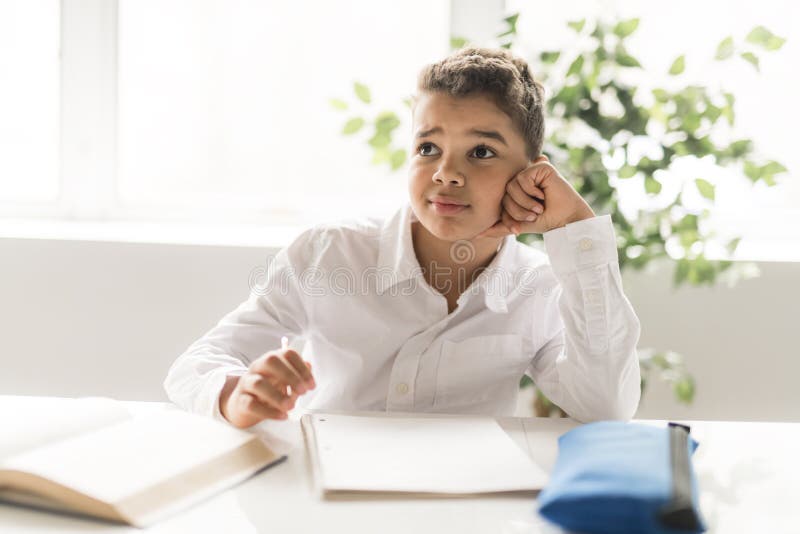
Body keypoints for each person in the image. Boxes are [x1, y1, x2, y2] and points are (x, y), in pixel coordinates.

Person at [164, 47, 641, 429]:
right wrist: (236, 393)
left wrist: (576, 229)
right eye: (427, 147)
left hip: (461, 505)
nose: (447, 173)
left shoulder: (539, 287)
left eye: (481, 151)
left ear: (533, 172)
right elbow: (194, 365)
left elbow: (605, 407)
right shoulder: (329, 253)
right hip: (326, 494)